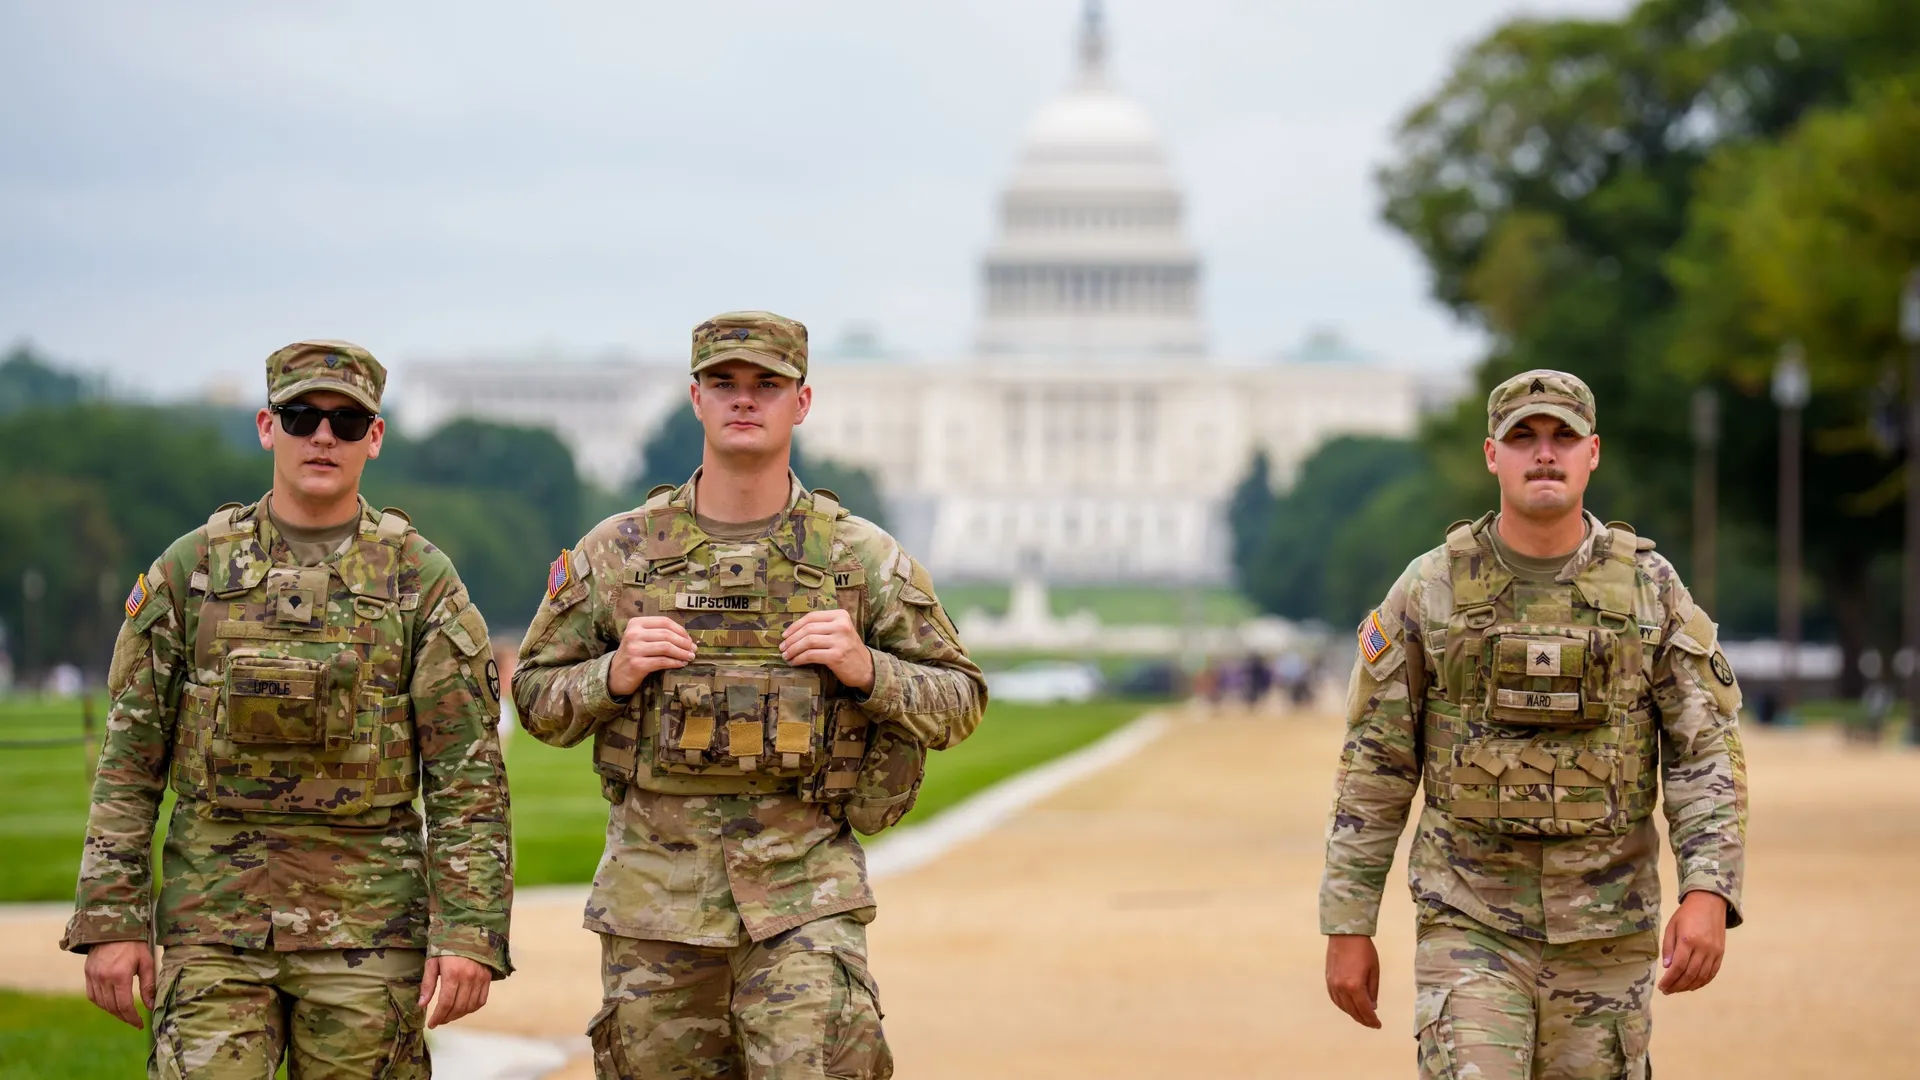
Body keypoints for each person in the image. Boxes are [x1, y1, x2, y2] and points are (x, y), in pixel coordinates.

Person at [513, 311, 987, 1080]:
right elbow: (532, 696)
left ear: (801, 403)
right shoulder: (618, 552)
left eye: (767, 385)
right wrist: (613, 674)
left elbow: (961, 699)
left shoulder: (858, 559)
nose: (744, 401)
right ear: (695, 398)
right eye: (724, 384)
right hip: (655, 911)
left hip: (803, 902)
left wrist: (868, 668)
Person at [63, 341, 513, 1078]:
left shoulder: (419, 581)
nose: (323, 437)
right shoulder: (193, 571)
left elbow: (468, 776)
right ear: (267, 427)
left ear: (375, 435)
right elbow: (129, 762)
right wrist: (112, 919)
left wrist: (469, 934)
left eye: (346, 420)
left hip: (367, 935)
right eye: (302, 417)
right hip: (215, 929)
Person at [1319, 370, 1747, 1078]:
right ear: (1493, 455)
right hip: (1470, 923)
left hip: (1607, 934)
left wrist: (1709, 890)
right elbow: (1375, 766)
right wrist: (1347, 922)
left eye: (1561, 437)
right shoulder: (1430, 590)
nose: (1543, 453)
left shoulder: (1651, 590)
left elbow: (1704, 753)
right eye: (1523, 437)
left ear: (1592, 453)